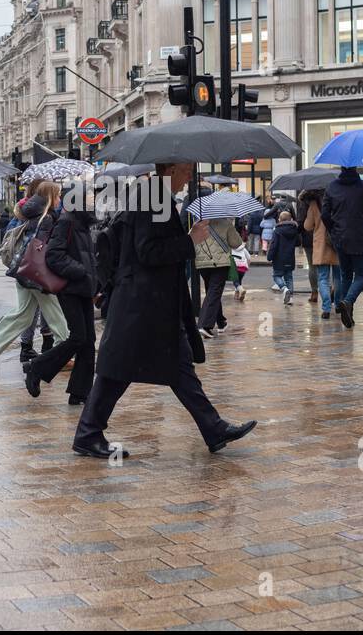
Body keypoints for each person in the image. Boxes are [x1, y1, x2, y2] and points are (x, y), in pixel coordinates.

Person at [72, 163, 257, 459]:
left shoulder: (151, 194)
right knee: (117, 371)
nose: (187, 179)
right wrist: (190, 241)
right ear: (171, 170)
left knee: (177, 366)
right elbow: (148, 251)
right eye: (185, 172)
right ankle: (88, 433)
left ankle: (213, 428)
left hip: (148, 303)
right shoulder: (152, 196)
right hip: (142, 304)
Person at [0, 182, 70, 377]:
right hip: (37, 275)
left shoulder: (33, 214)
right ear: (51, 197)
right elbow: (44, 248)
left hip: (24, 270)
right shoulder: (47, 218)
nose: (60, 199)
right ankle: (63, 353)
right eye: (58, 195)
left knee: (23, 314)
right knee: (56, 311)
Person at [24, 191, 97, 407]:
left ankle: (80, 392)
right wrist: (81, 271)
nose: (93, 199)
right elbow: (54, 256)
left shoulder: (85, 222)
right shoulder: (67, 222)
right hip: (70, 288)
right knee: (78, 337)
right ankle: (36, 367)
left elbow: (89, 256)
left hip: (83, 288)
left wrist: (95, 282)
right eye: (89, 196)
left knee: (88, 341)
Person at [321, 166, 363, 329]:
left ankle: (347, 313)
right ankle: (347, 301)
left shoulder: (332, 187)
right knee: (360, 276)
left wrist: (333, 229)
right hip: (358, 236)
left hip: (339, 237)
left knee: (346, 274)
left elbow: (325, 214)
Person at [193, 212, 243, 338]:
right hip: (220, 264)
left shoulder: (198, 223)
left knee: (212, 291)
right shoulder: (225, 223)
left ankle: (221, 322)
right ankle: (205, 325)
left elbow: (192, 240)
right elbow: (236, 243)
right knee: (214, 292)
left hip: (202, 264)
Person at [303, 190, 339, 319]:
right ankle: (339, 304)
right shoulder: (337, 199)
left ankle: (326, 309)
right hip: (336, 243)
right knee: (338, 277)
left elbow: (307, 226)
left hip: (321, 245)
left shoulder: (314, 204)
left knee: (323, 278)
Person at [269, 210, 301, 306]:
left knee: (276, 276)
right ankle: (290, 298)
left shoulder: (277, 230)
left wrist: (269, 256)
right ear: (290, 219)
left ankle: (284, 288)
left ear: (280, 219)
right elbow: (298, 242)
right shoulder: (294, 229)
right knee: (289, 278)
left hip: (279, 258)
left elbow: (273, 245)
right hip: (290, 258)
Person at [296, 191, 319, 304]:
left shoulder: (303, 202)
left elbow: (300, 222)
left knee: (312, 265)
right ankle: (329, 290)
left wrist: (298, 230)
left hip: (308, 238)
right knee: (326, 265)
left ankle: (314, 292)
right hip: (322, 237)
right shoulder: (324, 199)